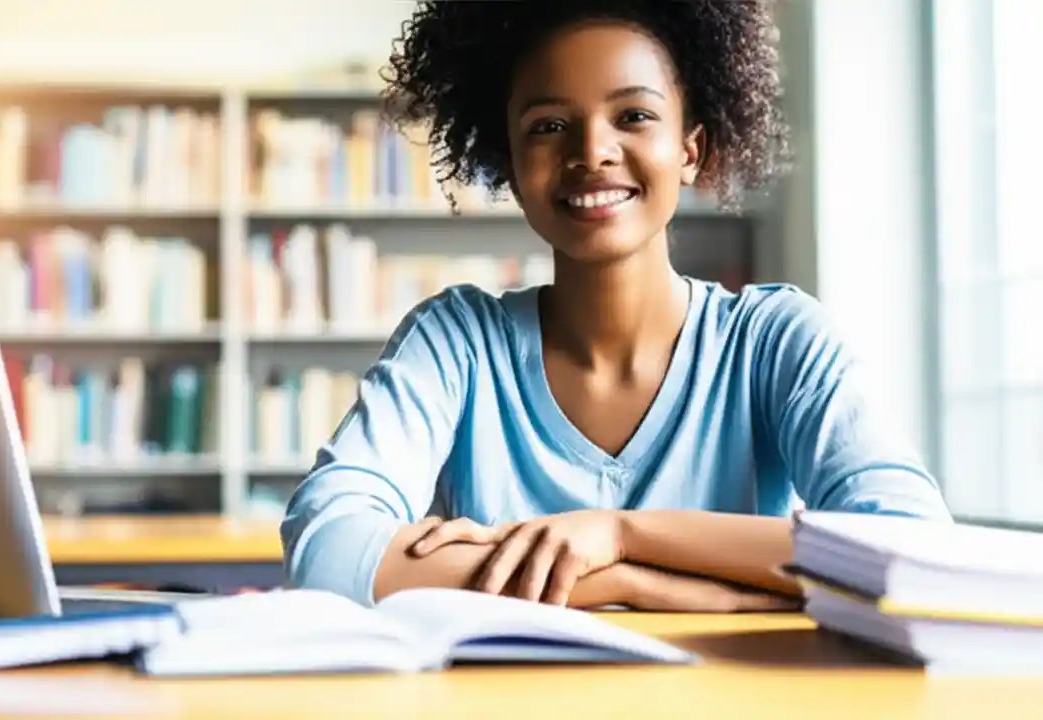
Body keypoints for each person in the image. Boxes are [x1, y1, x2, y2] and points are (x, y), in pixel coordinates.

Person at [281, 0, 950, 611]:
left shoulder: (775, 341)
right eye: (548, 125)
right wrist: (633, 583)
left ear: (691, 148)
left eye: (634, 115)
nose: (592, 152)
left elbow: (913, 552)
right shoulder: (456, 341)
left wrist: (625, 536)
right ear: (509, 163)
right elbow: (329, 554)